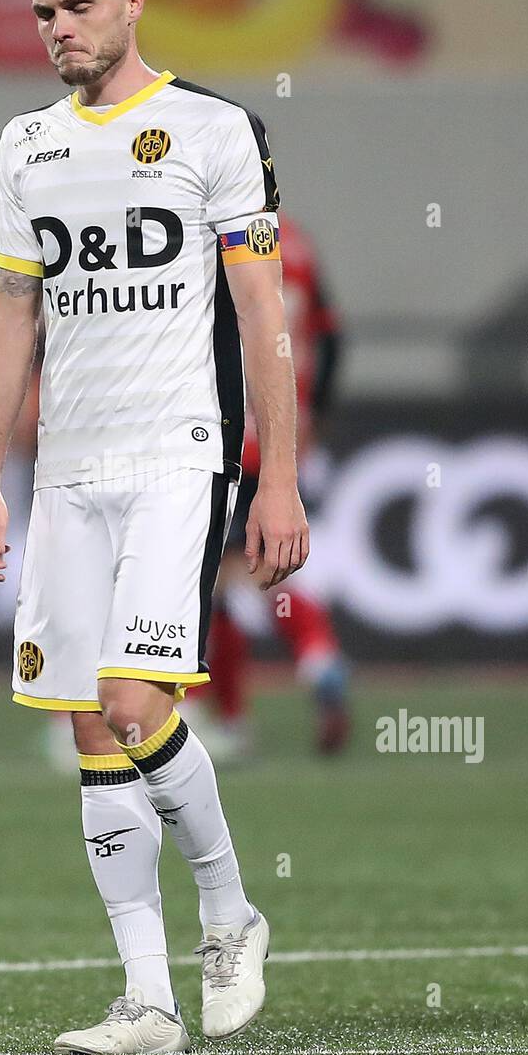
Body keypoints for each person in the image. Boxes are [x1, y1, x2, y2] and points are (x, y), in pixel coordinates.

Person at [0, 0, 308, 1055]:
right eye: (45, 12)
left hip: (177, 456)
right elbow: (11, 316)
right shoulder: (24, 147)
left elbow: (264, 317)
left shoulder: (214, 130)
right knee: (89, 736)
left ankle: (228, 906)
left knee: (130, 704)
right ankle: (147, 1001)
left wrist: (279, 481)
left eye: (79, 5)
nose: (60, 27)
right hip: (67, 474)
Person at [195, 215, 351, 757]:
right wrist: (315, 415)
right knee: (256, 571)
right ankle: (318, 656)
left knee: (214, 579)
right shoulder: (298, 242)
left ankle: (230, 719)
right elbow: (331, 337)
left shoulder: (213, 240)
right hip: (285, 432)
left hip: (225, 433)